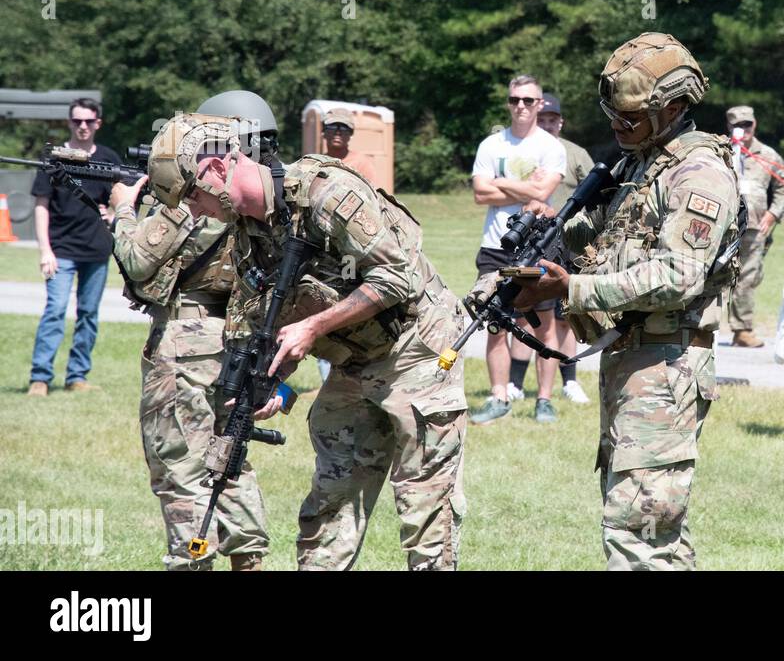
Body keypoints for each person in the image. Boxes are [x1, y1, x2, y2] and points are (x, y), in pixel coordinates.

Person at [137, 112, 469, 571]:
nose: (193, 210)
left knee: (424, 511)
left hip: (418, 351)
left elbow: (396, 278)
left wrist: (315, 328)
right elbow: (261, 321)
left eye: (191, 194)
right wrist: (273, 383)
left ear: (216, 170)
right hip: (353, 362)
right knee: (328, 509)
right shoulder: (250, 235)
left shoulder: (324, 191)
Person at [511, 32, 740, 570]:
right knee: (652, 530)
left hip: (667, 366)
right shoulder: (640, 168)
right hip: (631, 361)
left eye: (631, 118)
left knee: (638, 535)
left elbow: (679, 275)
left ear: (675, 109)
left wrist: (569, 289)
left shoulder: (697, 172)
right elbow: (611, 245)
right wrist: (557, 237)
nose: (618, 127)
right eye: (612, 115)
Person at [107, 93, 276, 572]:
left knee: (181, 469)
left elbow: (139, 261)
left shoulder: (198, 195)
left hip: (184, 342)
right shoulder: (262, 196)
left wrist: (122, 210)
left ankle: (191, 561)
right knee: (231, 460)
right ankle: (249, 560)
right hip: (237, 339)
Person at [469, 75, 566, 424]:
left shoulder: (552, 147)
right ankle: (499, 396)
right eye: (514, 100)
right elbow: (480, 194)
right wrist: (527, 187)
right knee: (494, 321)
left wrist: (501, 182)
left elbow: (543, 196)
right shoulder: (491, 145)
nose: (520, 106)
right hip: (495, 246)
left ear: (539, 104)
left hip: (538, 247)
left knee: (545, 325)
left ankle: (544, 400)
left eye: (527, 100)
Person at [26, 98, 120, 397]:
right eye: (77, 121)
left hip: (96, 251)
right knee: (55, 310)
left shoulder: (108, 158)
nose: (83, 126)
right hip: (61, 251)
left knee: (88, 314)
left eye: (89, 121)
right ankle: (40, 378)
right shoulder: (54, 158)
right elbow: (41, 206)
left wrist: (114, 214)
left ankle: (76, 377)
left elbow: (121, 197)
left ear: (98, 124)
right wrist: (45, 251)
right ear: (69, 122)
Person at [510, 92, 593, 405]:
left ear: (561, 121)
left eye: (552, 119)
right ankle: (516, 383)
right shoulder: (526, 151)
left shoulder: (575, 153)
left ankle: (569, 380)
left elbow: (596, 193)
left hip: (569, 242)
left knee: (566, 316)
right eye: (541, 118)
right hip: (533, 242)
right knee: (526, 313)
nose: (547, 123)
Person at [725, 105, 784, 348]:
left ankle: (742, 329)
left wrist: (773, 214)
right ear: (729, 127)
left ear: (755, 125)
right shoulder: (720, 152)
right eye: (737, 125)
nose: (743, 129)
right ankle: (700, 327)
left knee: (747, 276)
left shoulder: (768, 155)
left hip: (754, 227)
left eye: (747, 124)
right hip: (720, 229)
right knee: (710, 277)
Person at [321, 107, 380, 185]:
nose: (338, 132)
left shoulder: (362, 164)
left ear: (351, 134)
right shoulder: (318, 163)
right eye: (333, 126)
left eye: (344, 128)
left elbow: (372, 194)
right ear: (323, 132)